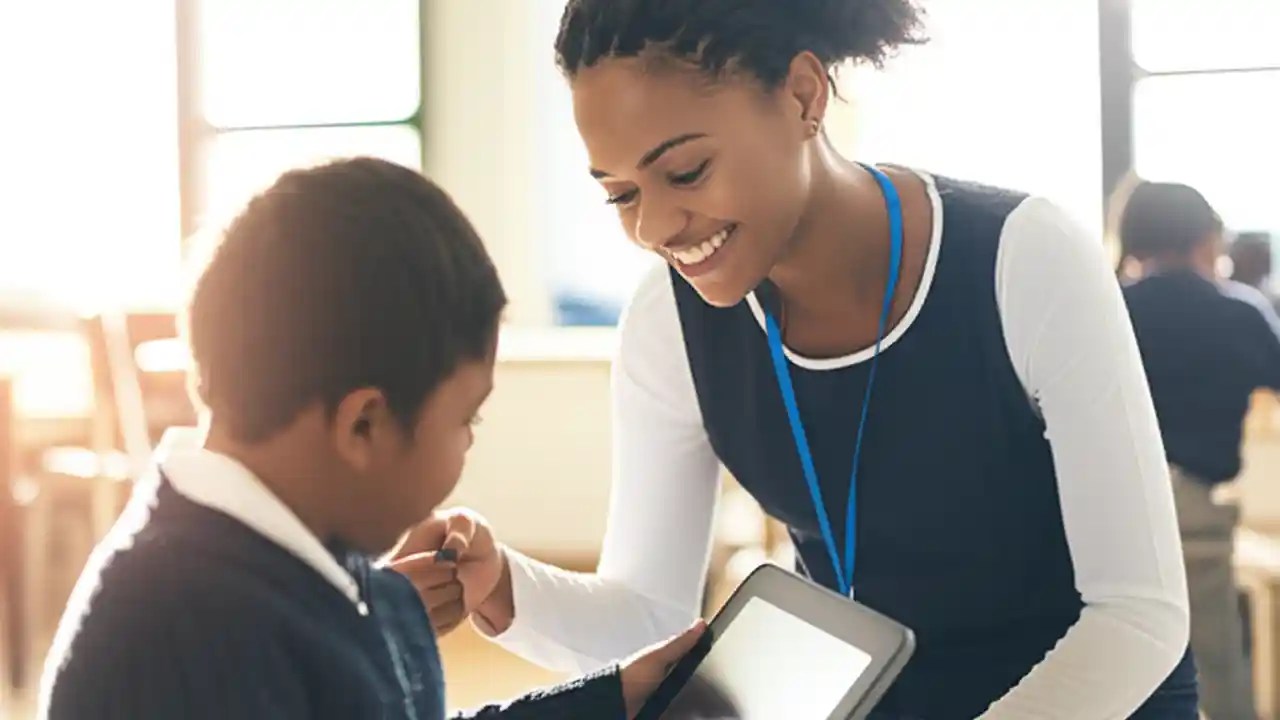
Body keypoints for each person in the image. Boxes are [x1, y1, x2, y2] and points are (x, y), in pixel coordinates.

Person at [395, 1, 1199, 717]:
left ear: (804, 96)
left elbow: (1137, 617)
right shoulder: (668, 324)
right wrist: (502, 588)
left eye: (685, 172)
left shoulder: (1023, 257)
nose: (654, 227)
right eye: (621, 194)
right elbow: (652, 617)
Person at [37, 158, 703, 719]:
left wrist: (614, 699)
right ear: (364, 425)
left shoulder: (278, 555)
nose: (467, 451)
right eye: (465, 422)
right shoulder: (198, 637)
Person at [1118, 182, 1280, 720]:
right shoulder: (1237, 313)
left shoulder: (1109, 308)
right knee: (1214, 668)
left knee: (1123, 667)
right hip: (1194, 514)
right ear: (1204, 238)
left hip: (1107, 509)